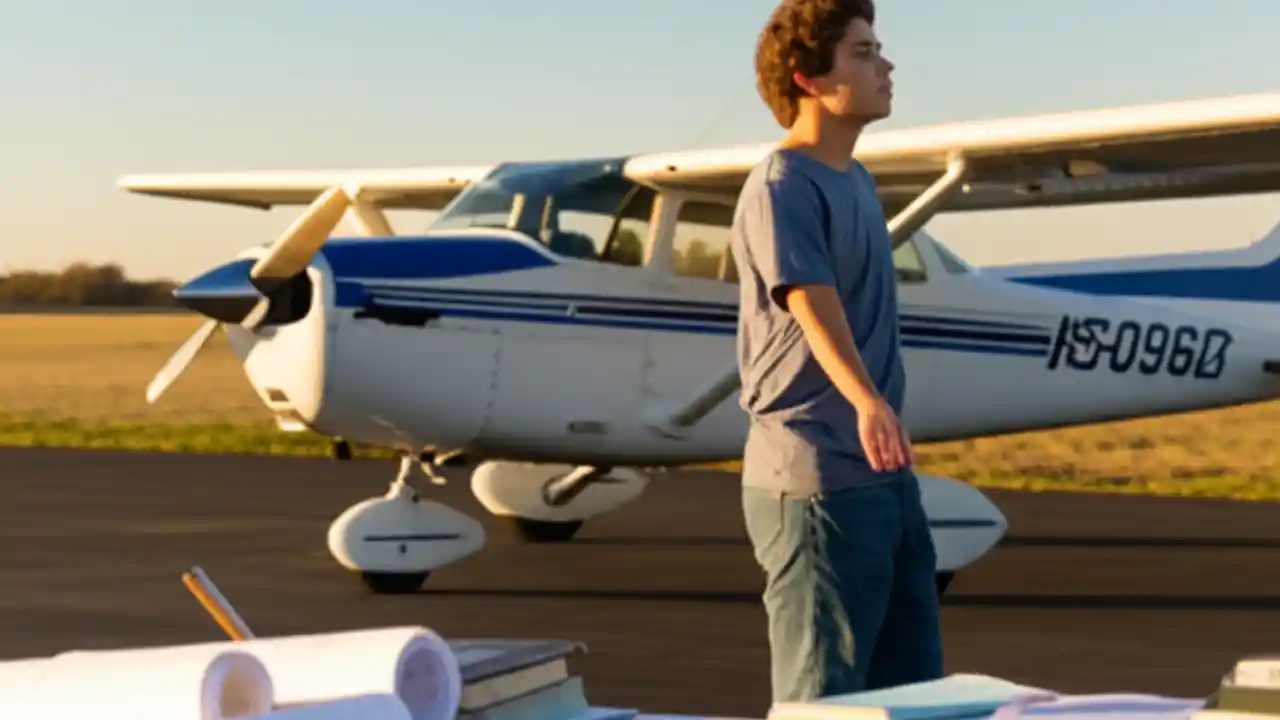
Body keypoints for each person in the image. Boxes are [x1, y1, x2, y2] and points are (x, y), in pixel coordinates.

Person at [729, 0, 943, 704]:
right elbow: (808, 300)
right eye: (864, 52)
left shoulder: (855, 179)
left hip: (883, 476)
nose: (887, 65)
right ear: (809, 79)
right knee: (821, 700)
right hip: (816, 480)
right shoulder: (782, 186)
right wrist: (867, 401)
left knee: (915, 696)